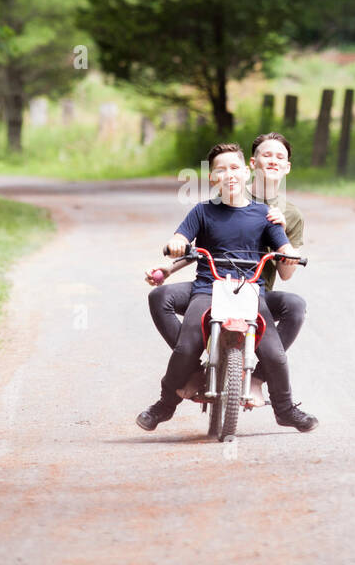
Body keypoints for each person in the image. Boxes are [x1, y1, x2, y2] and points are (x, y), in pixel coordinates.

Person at [136, 142, 319, 433]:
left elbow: (285, 252)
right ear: (212, 178)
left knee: (275, 354)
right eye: (221, 170)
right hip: (208, 288)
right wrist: (175, 248)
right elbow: (181, 239)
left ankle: (284, 409)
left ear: (246, 172)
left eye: (234, 168)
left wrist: (288, 247)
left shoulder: (266, 215)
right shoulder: (203, 211)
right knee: (185, 345)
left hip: (250, 290)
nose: (229, 175)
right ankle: (165, 403)